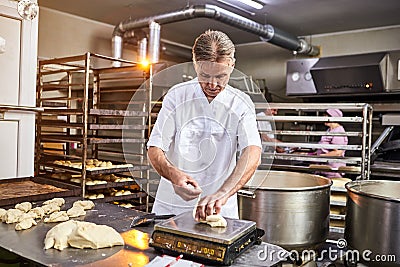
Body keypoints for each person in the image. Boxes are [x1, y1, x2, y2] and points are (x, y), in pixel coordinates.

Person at [147, 30, 262, 221]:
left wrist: (223, 193)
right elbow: (155, 148)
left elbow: (253, 153)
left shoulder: (240, 103)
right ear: (194, 64)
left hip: (219, 210)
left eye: (221, 76)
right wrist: (174, 175)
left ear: (232, 66)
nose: (212, 84)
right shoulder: (177, 96)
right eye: (204, 75)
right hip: (171, 207)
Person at [315, 108, 348, 178]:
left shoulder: (339, 131)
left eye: (326, 116)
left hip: (333, 169)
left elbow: (337, 152)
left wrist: (320, 157)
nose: (324, 118)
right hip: (325, 167)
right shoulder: (329, 130)